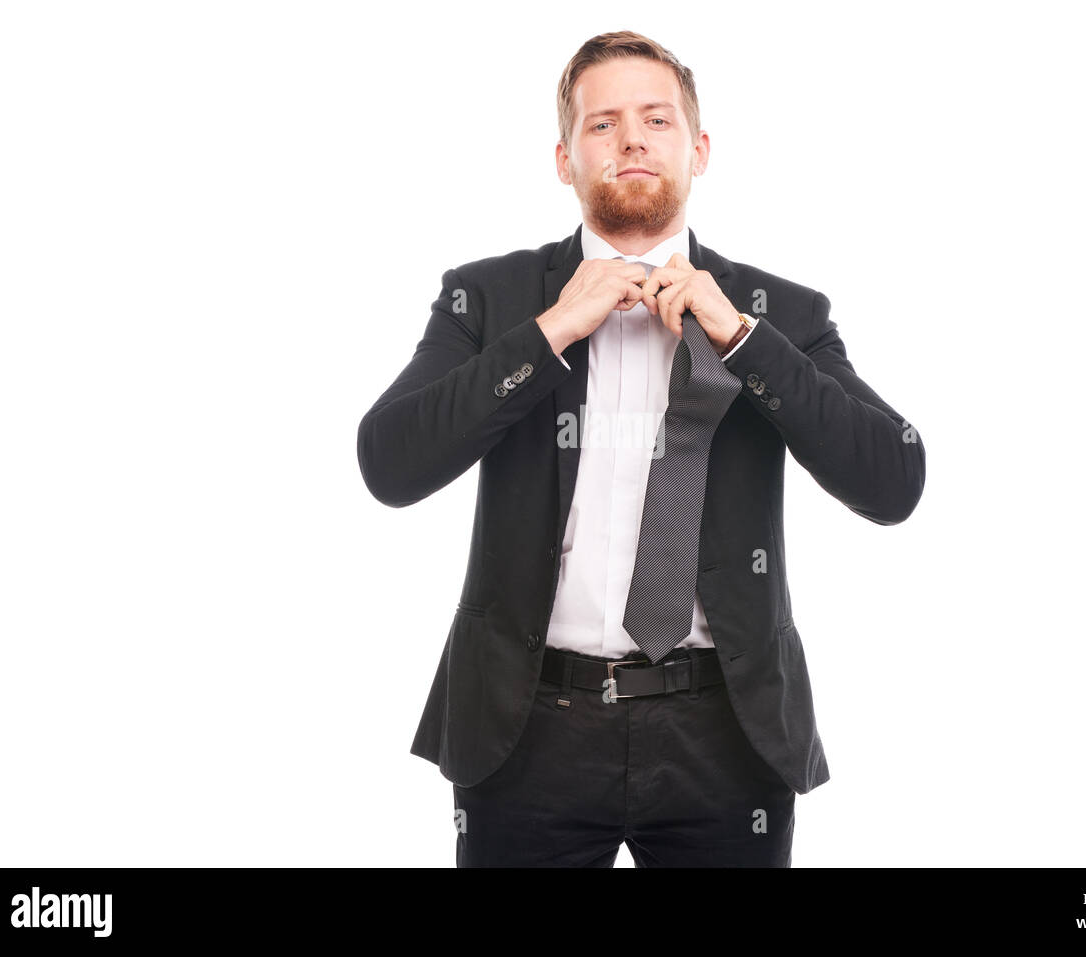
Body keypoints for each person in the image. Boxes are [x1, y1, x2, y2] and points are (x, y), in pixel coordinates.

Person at [356, 30, 925, 867]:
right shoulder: (487, 298)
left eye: (656, 120)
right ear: (563, 160)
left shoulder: (781, 313)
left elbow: (893, 478)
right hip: (526, 732)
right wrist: (550, 332)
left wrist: (740, 338)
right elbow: (390, 461)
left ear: (698, 150)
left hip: (725, 736)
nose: (630, 139)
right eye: (603, 124)